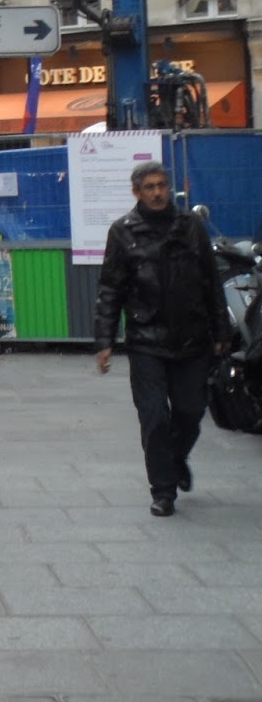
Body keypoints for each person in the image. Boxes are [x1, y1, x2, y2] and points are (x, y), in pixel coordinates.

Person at [94, 161, 232, 517]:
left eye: (162, 185)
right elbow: (111, 288)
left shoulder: (191, 227)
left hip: (192, 337)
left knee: (190, 410)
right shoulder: (123, 232)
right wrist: (105, 340)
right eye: (150, 187)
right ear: (136, 192)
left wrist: (221, 331)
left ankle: (176, 457)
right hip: (146, 339)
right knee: (154, 416)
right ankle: (163, 490)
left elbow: (211, 283)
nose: (158, 193)